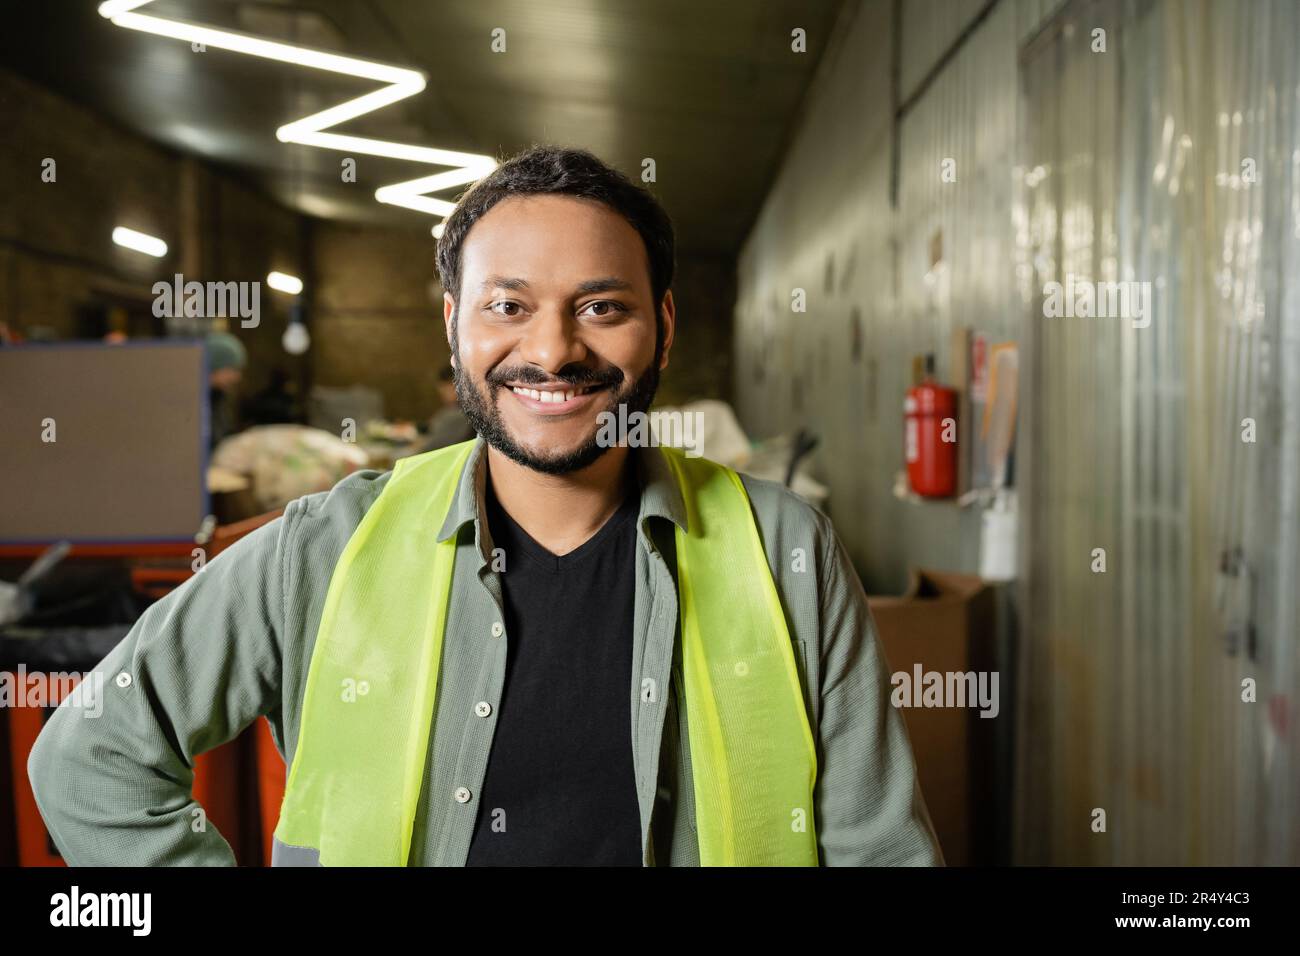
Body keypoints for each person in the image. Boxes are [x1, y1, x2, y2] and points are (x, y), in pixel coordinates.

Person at [27, 145, 941, 867]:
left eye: (601, 307)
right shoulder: (325, 549)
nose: (552, 349)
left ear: (663, 327)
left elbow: (878, 849)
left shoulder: (783, 548)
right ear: (454, 325)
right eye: (507, 304)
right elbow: (89, 757)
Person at [205, 330, 247, 449]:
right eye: (232, 369)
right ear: (214, 367)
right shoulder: (192, 401)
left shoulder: (218, 397)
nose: (237, 377)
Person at [419, 364, 476, 451]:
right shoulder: (451, 410)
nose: (442, 394)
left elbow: (430, 447)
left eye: (445, 388)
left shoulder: (458, 415)